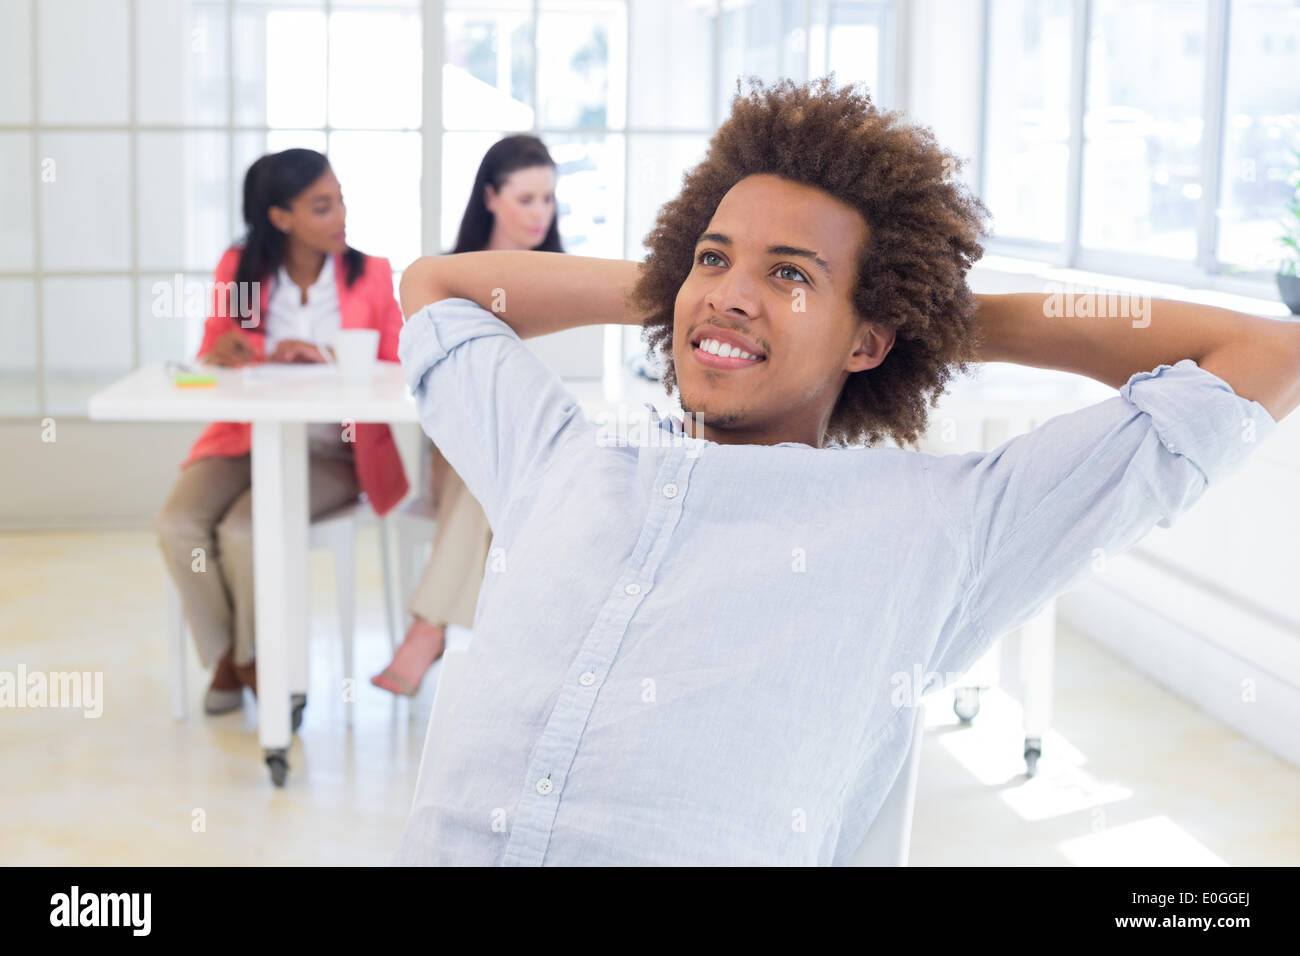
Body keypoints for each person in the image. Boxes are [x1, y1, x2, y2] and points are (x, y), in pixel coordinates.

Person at [391, 77, 1298, 865]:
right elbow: (435, 289)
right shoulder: (565, 465)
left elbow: (1264, 355)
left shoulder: (938, 526)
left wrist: (934, 316)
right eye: (714, 255)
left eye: (791, 275)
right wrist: (694, 286)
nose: (733, 291)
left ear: (870, 337)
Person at [155, 148, 408, 715]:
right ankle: (240, 660)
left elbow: (394, 365)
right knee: (178, 524)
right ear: (280, 217)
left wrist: (322, 354)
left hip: (336, 453)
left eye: (340, 199)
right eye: (322, 205)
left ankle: (242, 663)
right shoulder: (240, 268)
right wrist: (225, 351)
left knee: (246, 529)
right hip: (245, 437)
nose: (341, 215)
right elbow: (211, 352)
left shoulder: (370, 274)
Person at [370, 134, 566, 697]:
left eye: (548, 199)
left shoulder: (565, 275)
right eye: (525, 198)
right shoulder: (447, 277)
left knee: (509, 472)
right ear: (490, 198)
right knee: (490, 471)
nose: (539, 213)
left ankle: (428, 631)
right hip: (461, 456)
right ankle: (499, 667)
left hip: (538, 451)